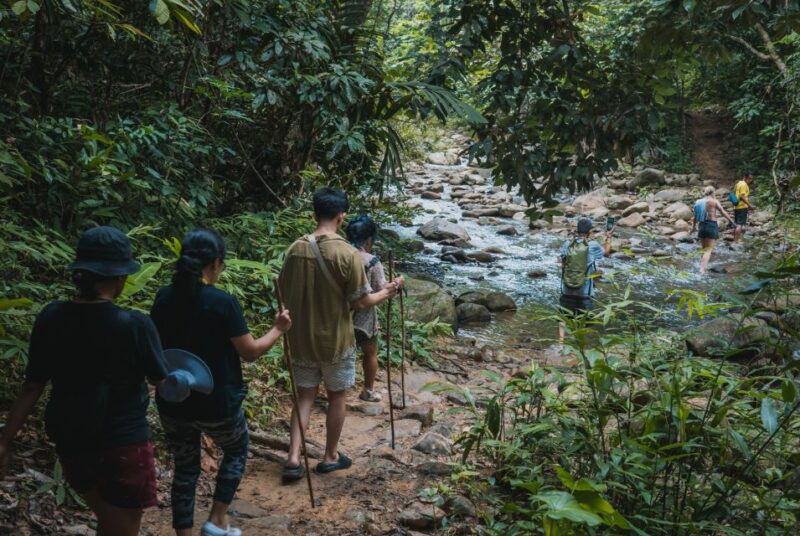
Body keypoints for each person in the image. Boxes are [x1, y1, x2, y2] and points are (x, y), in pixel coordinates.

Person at [0, 226, 168, 536]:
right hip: (123, 446)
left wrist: (5, 440)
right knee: (122, 528)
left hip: (73, 446)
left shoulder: (51, 317)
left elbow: (32, 386)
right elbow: (163, 381)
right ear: (120, 278)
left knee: (109, 520)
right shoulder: (134, 325)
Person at [150, 228, 292, 536]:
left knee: (185, 466)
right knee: (237, 449)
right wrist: (278, 328)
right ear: (215, 263)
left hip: (173, 398)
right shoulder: (222, 303)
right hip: (217, 402)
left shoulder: (163, 297)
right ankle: (216, 519)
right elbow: (250, 352)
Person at [278, 187, 403, 483]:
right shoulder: (347, 253)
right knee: (337, 396)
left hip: (300, 338)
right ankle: (330, 456)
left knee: (305, 396)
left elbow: (283, 289)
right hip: (335, 339)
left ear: (314, 214)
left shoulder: (295, 248)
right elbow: (360, 302)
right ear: (341, 216)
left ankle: (294, 457)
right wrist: (388, 290)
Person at [345, 215, 394, 403]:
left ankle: (335, 388)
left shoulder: (341, 255)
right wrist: (396, 285)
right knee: (370, 352)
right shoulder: (371, 261)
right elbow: (381, 290)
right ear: (369, 239)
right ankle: (368, 390)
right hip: (363, 319)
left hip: (339, 315)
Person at [558, 218, 612, 340]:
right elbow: (607, 252)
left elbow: (563, 265)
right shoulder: (592, 245)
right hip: (585, 292)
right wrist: (608, 237)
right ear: (589, 232)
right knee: (584, 321)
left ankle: (561, 343)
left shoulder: (568, 244)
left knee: (564, 318)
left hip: (567, 289)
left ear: (577, 230)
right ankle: (579, 343)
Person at [692, 186, 737, 275]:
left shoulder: (698, 202)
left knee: (704, 249)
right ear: (713, 193)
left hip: (701, 225)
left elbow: (695, 216)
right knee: (708, 250)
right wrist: (731, 221)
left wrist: (693, 227)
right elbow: (723, 212)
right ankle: (702, 270)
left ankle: (702, 265)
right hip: (711, 225)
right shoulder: (714, 201)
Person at [733, 173, 754, 243]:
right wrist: (749, 205)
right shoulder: (744, 185)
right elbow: (742, 196)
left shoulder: (738, 183)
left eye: (751, 179)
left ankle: (735, 240)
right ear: (745, 177)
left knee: (737, 224)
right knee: (740, 224)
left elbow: (734, 193)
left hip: (736, 206)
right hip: (742, 207)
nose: (750, 180)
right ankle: (736, 241)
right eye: (749, 178)